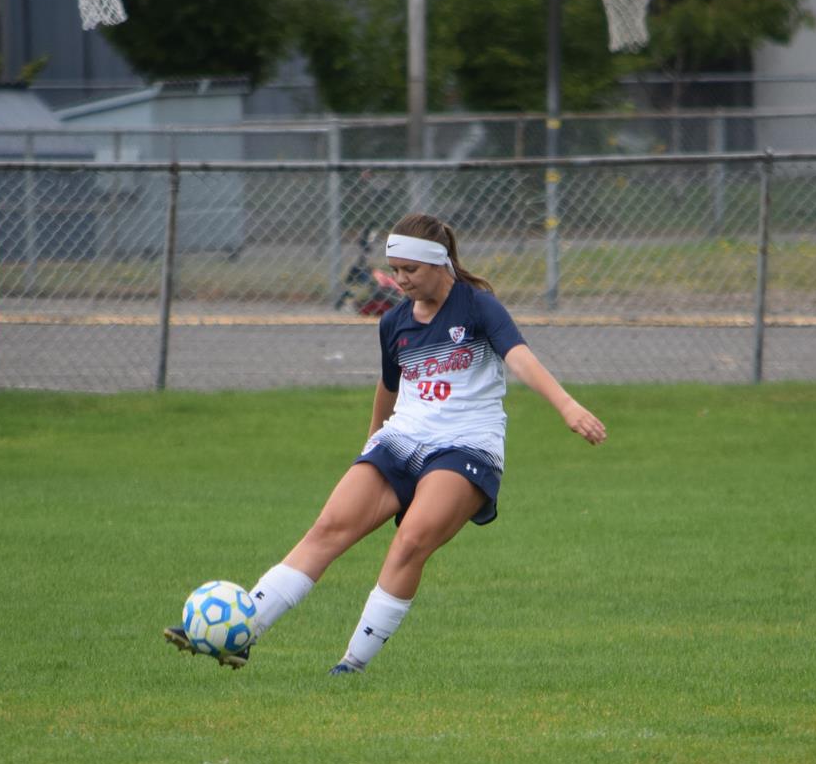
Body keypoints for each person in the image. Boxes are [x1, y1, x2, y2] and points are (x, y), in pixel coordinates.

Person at [164, 213, 607, 675]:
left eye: (409, 270)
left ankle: (350, 666)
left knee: (410, 542)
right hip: (402, 439)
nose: (399, 280)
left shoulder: (478, 307)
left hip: (466, 447)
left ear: (439, 263)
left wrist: (567, 407)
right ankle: (242, 633)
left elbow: (521, 358)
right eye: (394, 270)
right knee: (328, 529)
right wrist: (374, 433)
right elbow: (389, 383)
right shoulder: (394, 322)